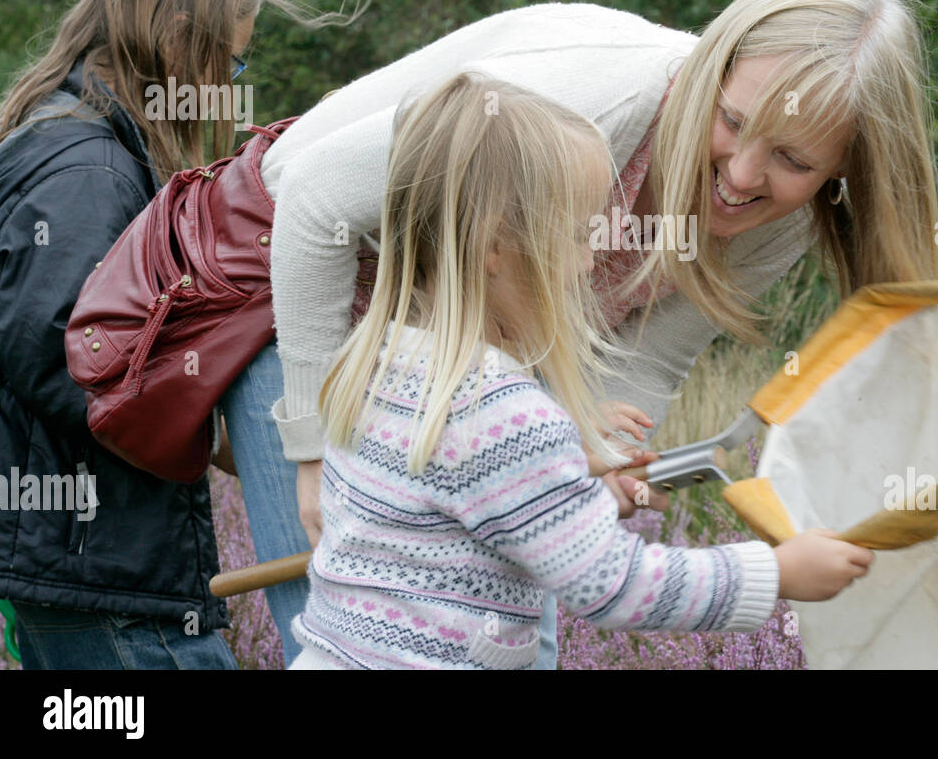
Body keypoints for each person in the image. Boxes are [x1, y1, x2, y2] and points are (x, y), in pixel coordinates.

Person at [225, 0, 938, 667]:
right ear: (714, 69)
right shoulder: (589, 107)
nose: (745, 174)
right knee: (357, 606)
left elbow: (651, 355)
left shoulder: (780, 222)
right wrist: (314, 451)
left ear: (843, 168)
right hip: (302, 281)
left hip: (459, 356)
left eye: (791, 158)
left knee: (496, 626)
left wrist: (592, 456)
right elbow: (314, 198)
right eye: (732, 121)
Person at [288, 72, 873, 668]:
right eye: (576, 235)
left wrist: (571, 494)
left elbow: (454, 516)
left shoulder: (374, 363)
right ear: (495, 248)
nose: (592, 260)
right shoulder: (504, 414)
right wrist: (775, 573)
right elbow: (614, 587)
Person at [0, 0, 345, 668]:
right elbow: (68, 358)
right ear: (179, 40)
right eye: (231, 62)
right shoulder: (88, 170)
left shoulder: (75, 141)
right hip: (108, 586)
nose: (229, 86)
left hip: (94, 575)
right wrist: (216, 432)